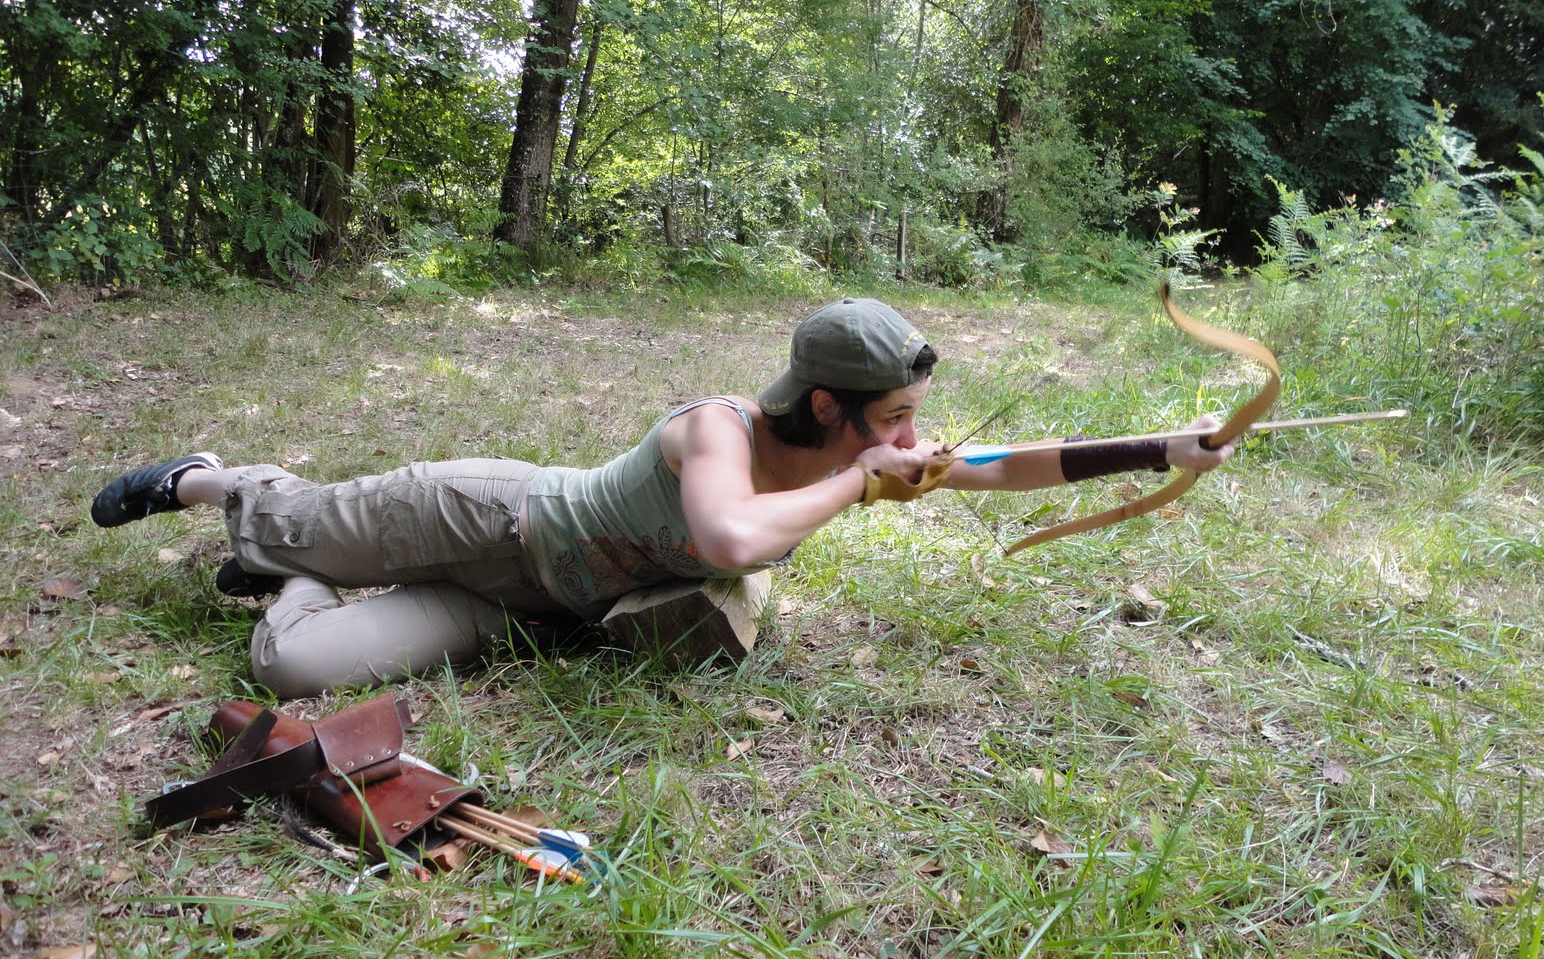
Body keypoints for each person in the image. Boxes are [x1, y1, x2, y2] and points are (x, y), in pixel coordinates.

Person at [90, 297, 1233, 696]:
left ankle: (296, 583)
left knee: (291, 668)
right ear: (828, 406)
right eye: (893, 417)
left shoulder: (859, 452)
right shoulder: (714, 429)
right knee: (290, 517)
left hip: (535, 607)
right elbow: (728, 533)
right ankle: (216, 479)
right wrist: (854, 482)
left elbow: (1007, 465)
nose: (915, 442)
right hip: (486, 515)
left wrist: (1154, 452)